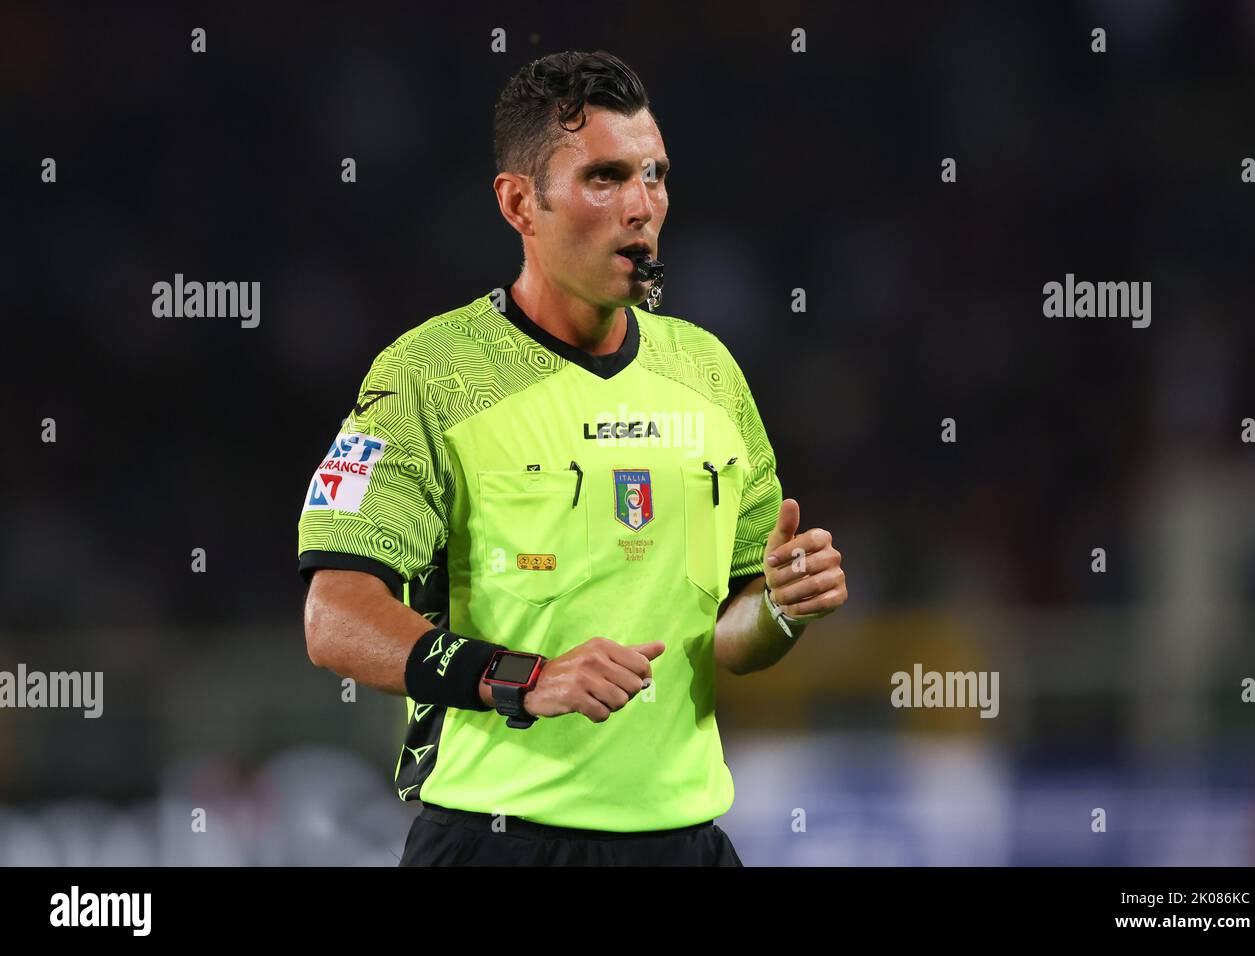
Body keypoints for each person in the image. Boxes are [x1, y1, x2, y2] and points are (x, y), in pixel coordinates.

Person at [297, 50, 847, 866]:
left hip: (685, 843)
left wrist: (780, 609)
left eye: (654, 176)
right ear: (520, 202)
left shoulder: (709, 375)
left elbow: (727, 637)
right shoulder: (430, 374)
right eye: (605, 178)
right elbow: (335, 618)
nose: (642, 206)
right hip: (498, 841)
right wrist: (520, 676)